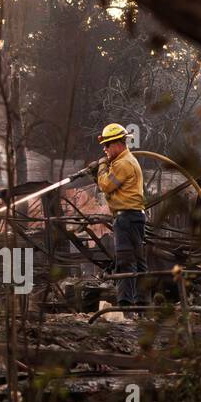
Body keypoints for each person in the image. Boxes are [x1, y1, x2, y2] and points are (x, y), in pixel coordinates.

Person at [89, 123, 146, 318]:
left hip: (126, 218)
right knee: (138, 262)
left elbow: (105, 185)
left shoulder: (123, 163)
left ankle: (126, 308)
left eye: (107, 145)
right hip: (134, 217)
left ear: (118, 144)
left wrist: (101, 166)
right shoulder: (126, 161)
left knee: (125, 261)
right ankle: (142, 306)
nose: (104, 150)